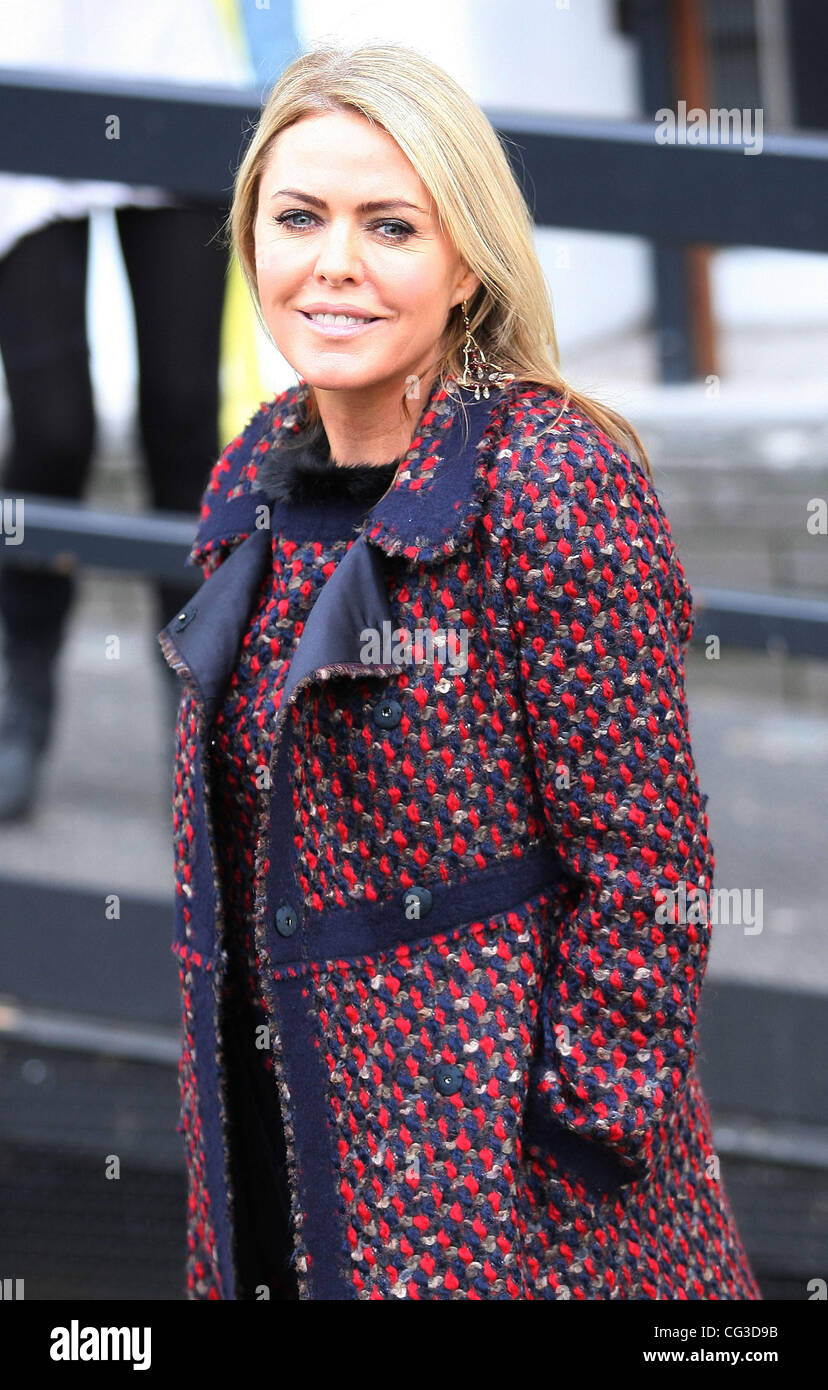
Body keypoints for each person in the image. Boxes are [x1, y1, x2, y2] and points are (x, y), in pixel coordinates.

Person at [158, 39, 762, 1301]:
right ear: (250, 237)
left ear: (466, 259)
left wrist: (580, 1132)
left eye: (390, 225)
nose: (334, 263)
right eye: (299, 217)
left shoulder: (553, 480)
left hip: (507, 1196)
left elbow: (648, 863)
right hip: (286, 1159)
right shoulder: (247, 473)